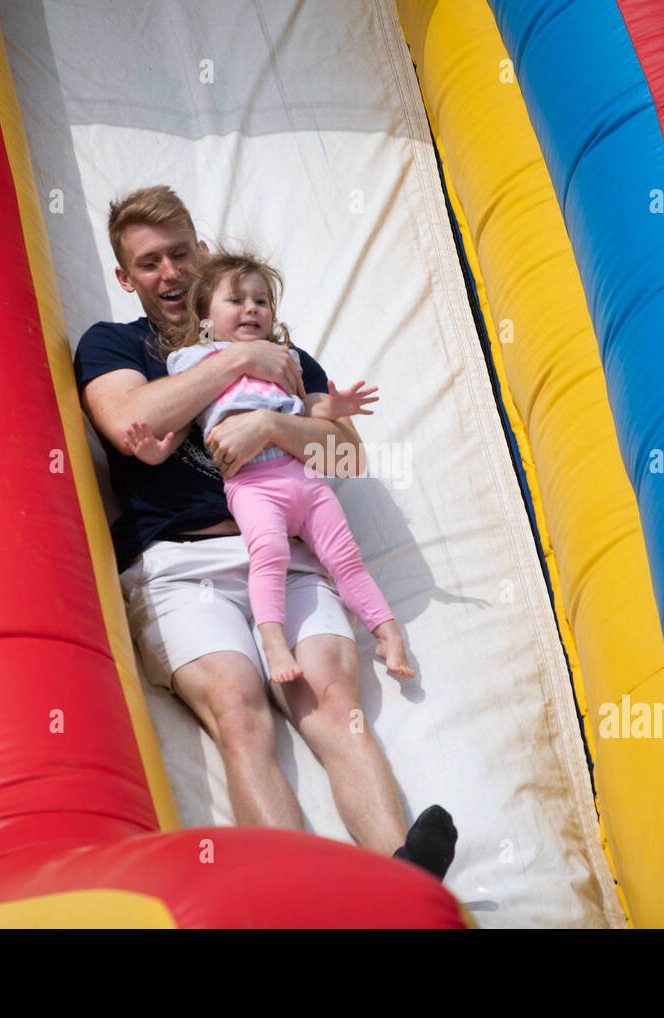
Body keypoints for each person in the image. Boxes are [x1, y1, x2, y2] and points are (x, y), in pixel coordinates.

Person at [73, 185, 456, 880]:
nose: (170, 274)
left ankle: (406, 888)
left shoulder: (279, 348)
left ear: (205, 252)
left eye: (181, 254)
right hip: (183, 564)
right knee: (239, 710)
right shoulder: (114, 345)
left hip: (288, 557)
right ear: (125, 279)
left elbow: (345, 453)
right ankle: (298, 900)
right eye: (150, 263)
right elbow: (130, 426)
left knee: (335, 706)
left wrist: (273, 425)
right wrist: (238, 363)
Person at [130, 247, 415, 686]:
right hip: (254, 486)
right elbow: (179, 426)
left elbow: (316, 410)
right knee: (271, 554)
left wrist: (335, 406)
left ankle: (388, 632)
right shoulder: (192, 364)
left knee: (345, 559)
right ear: (205, 315)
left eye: (260, 301)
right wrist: (152, 452)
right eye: (237, 300)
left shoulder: (288, 360)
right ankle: (275, 640)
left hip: (305, 480)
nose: (251, 309)